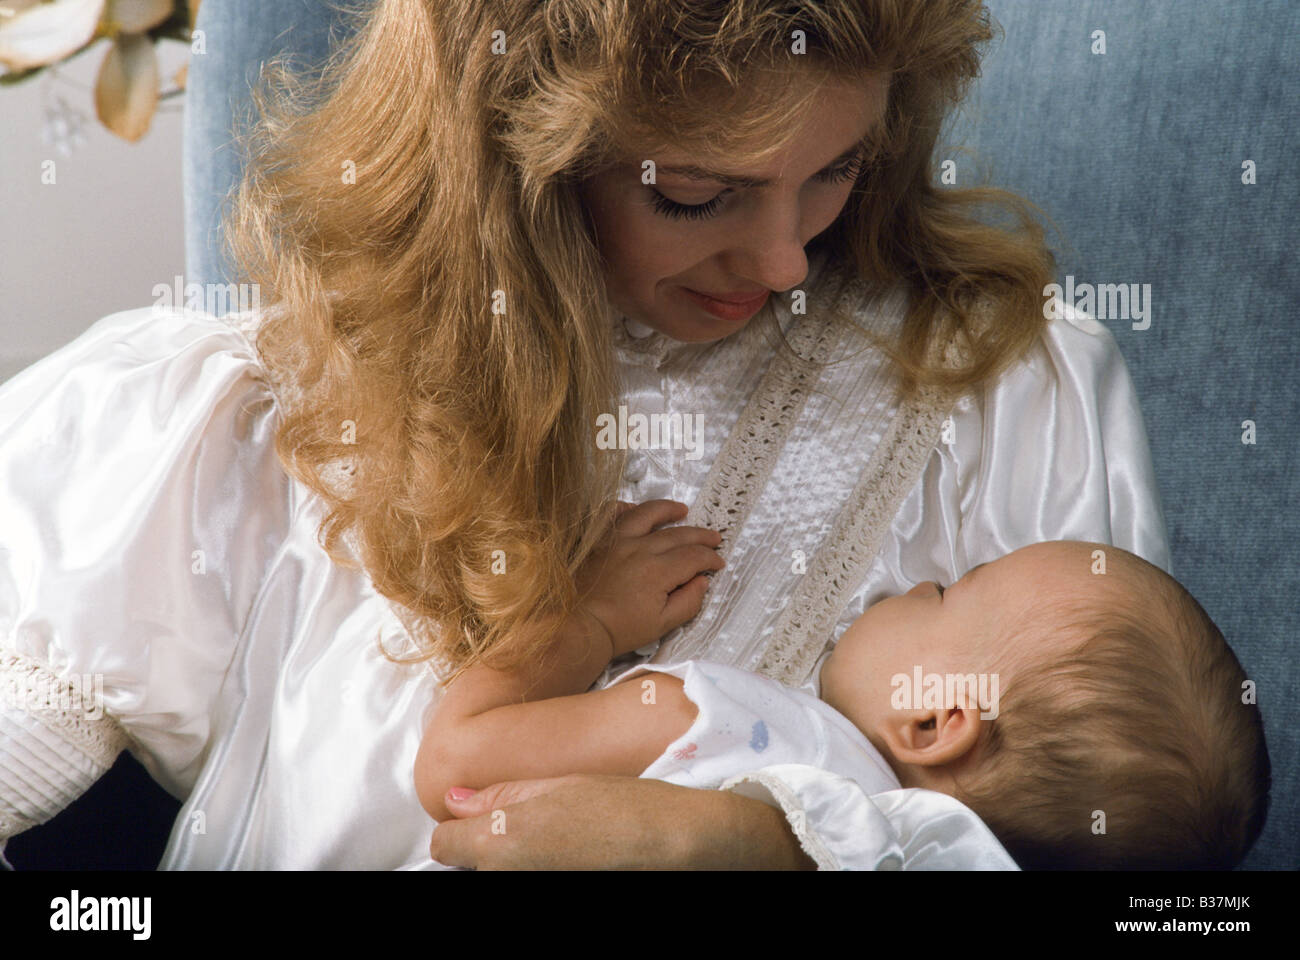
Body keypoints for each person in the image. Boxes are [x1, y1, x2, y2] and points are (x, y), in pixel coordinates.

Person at [0, 0, 1173, 869]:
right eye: (696, 197)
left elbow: (1124, 845)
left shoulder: (1009, 382)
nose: (782, 261)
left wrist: (763, 849)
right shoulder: (248, 418)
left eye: (836, 170)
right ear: (513, 163)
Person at [416, 514, 1270, 870]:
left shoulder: (741, 729)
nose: (922, 579)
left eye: (949, 590)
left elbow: (453, 767)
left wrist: (595, 619)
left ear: (935, 720)